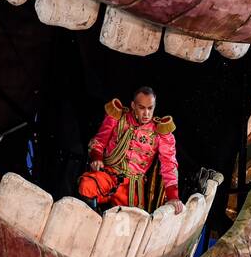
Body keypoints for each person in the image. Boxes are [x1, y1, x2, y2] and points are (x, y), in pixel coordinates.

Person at [77, 86, 184, 214]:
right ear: (133, 105)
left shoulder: (160, 132)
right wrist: (96, 158)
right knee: (86, 185)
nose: (146, 114)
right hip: (108, 175)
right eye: (141, 108)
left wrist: (173, 196)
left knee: (130, 221)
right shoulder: (117, 118)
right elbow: (98, 142)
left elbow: (169, 165)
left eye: (150, 108)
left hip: (132, 188)